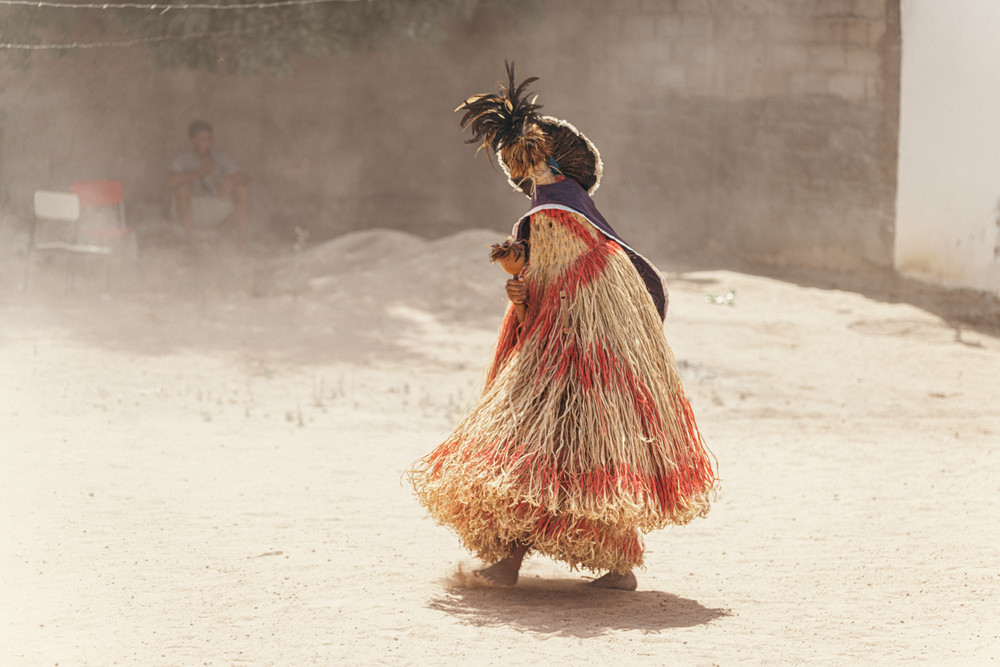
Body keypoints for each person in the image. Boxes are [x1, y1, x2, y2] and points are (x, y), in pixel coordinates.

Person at [408, 63, 717, 591]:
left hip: (573, 359)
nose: (516, 166)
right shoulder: (567, 215)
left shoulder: (556, 214)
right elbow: (557, 283)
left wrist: (531, 302)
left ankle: (538, 564)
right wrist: (523, 295)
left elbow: (572, 288)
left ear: (540, 159)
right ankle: (593, 567)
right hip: (579, 359)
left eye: (521, 156)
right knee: (568, 452)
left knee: (534, 448)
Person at [165, 120, 250, 247]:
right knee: (182, 187)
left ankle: (243, 243)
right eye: (202, 138)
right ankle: (192, 243)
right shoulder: (183, 158)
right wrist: (199, 172)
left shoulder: (221, 157)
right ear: (192, 141)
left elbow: (246, 178)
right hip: (193, 210)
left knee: (242, 189)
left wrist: (229, 180)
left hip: (215, 208)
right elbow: (168, 183)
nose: (207, 142)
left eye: (209, 138)